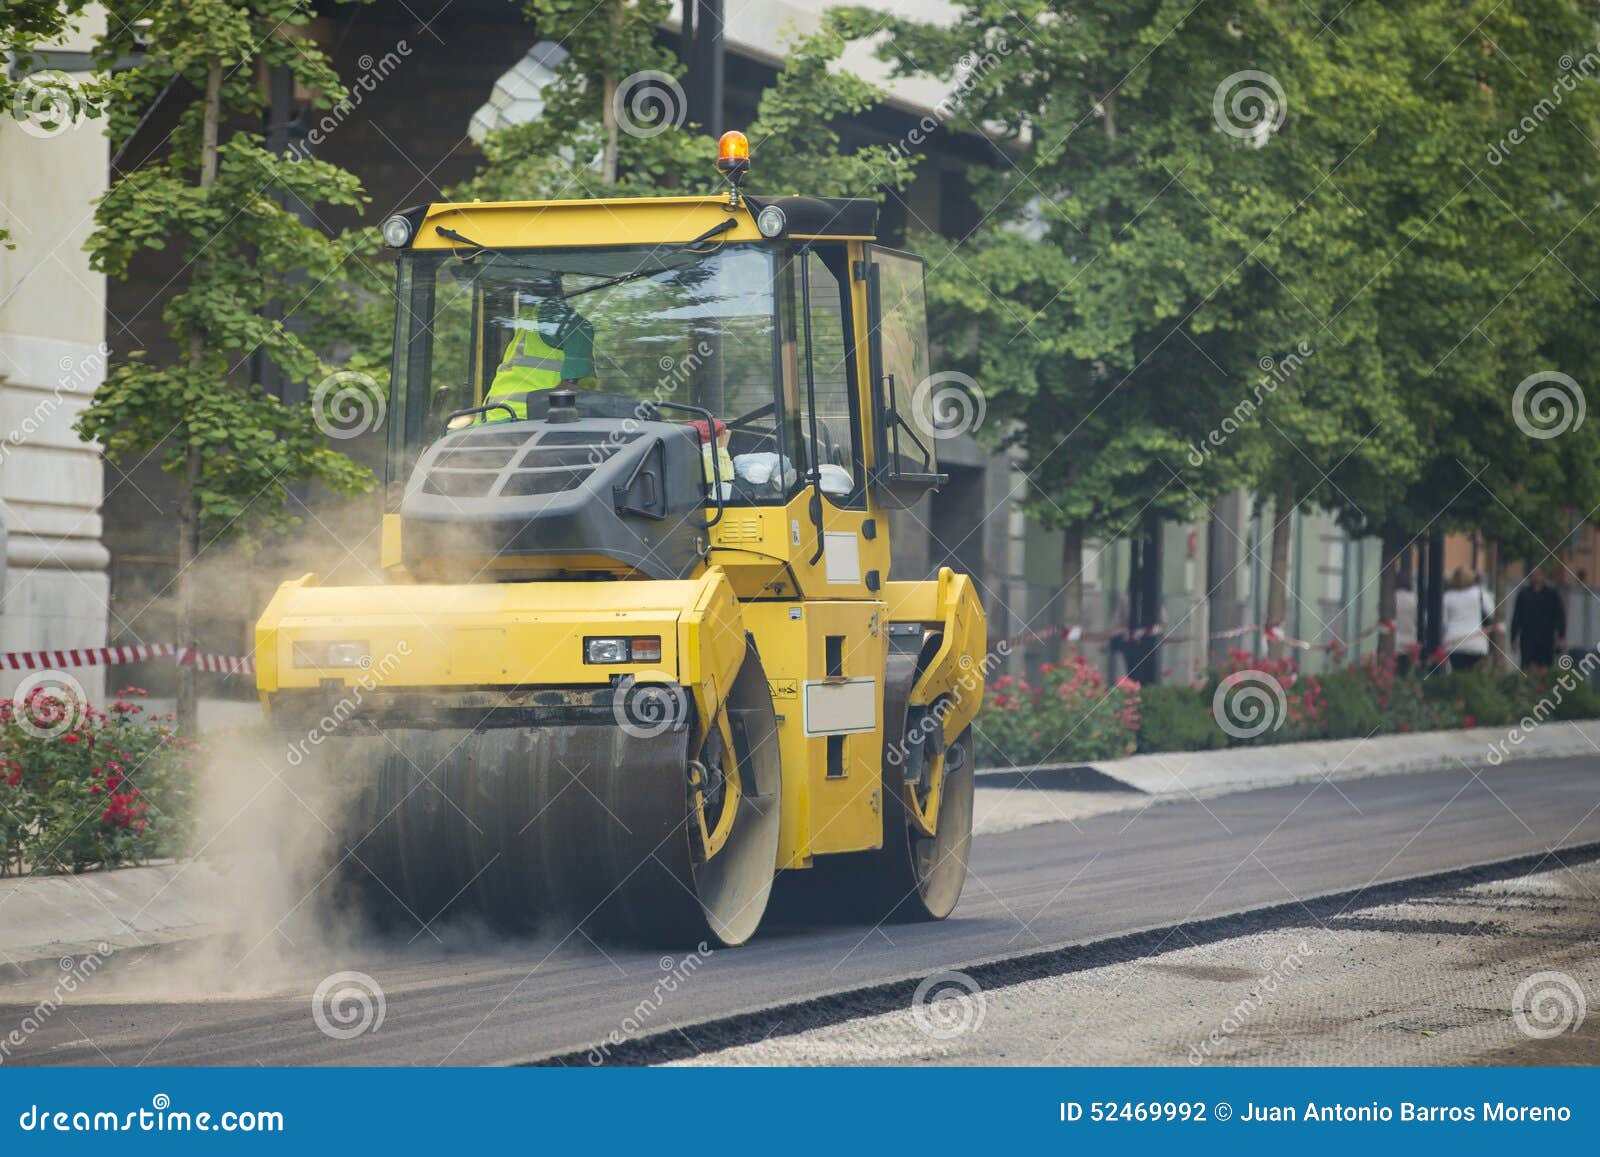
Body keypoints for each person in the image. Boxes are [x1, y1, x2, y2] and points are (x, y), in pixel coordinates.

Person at [481, 278, 597, 420]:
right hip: (501, 419)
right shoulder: (529, 317)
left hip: (524, 421)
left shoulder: (552, 315)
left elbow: (581, 329)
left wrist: (549, 413)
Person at [1511, 566, 1566, 670]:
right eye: (1533, 575)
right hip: (1527, 638)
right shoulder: (1524, 594)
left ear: (1543, 576)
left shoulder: (1551, 594)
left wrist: (1561, 637)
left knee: (1545, 668)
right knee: (1527, 668)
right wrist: (1513, 638)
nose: (1536, 577)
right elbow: (1516, 617)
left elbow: (1560, 616)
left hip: (1546, 638)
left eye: (1538, 574)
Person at [1441, 566, 1493, 672]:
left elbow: (1443, 621)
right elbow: (1491, 613)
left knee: (1458, 672)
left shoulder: (1447, 597)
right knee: (1474, 675)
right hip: (1477, 642)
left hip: (1454, 642)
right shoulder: (1481, 593)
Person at [1394, 570, 1418, 675]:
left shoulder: (1392, 598)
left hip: (1395, 641)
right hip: (1410, 640)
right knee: (1407, 672)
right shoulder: (1414, 599)